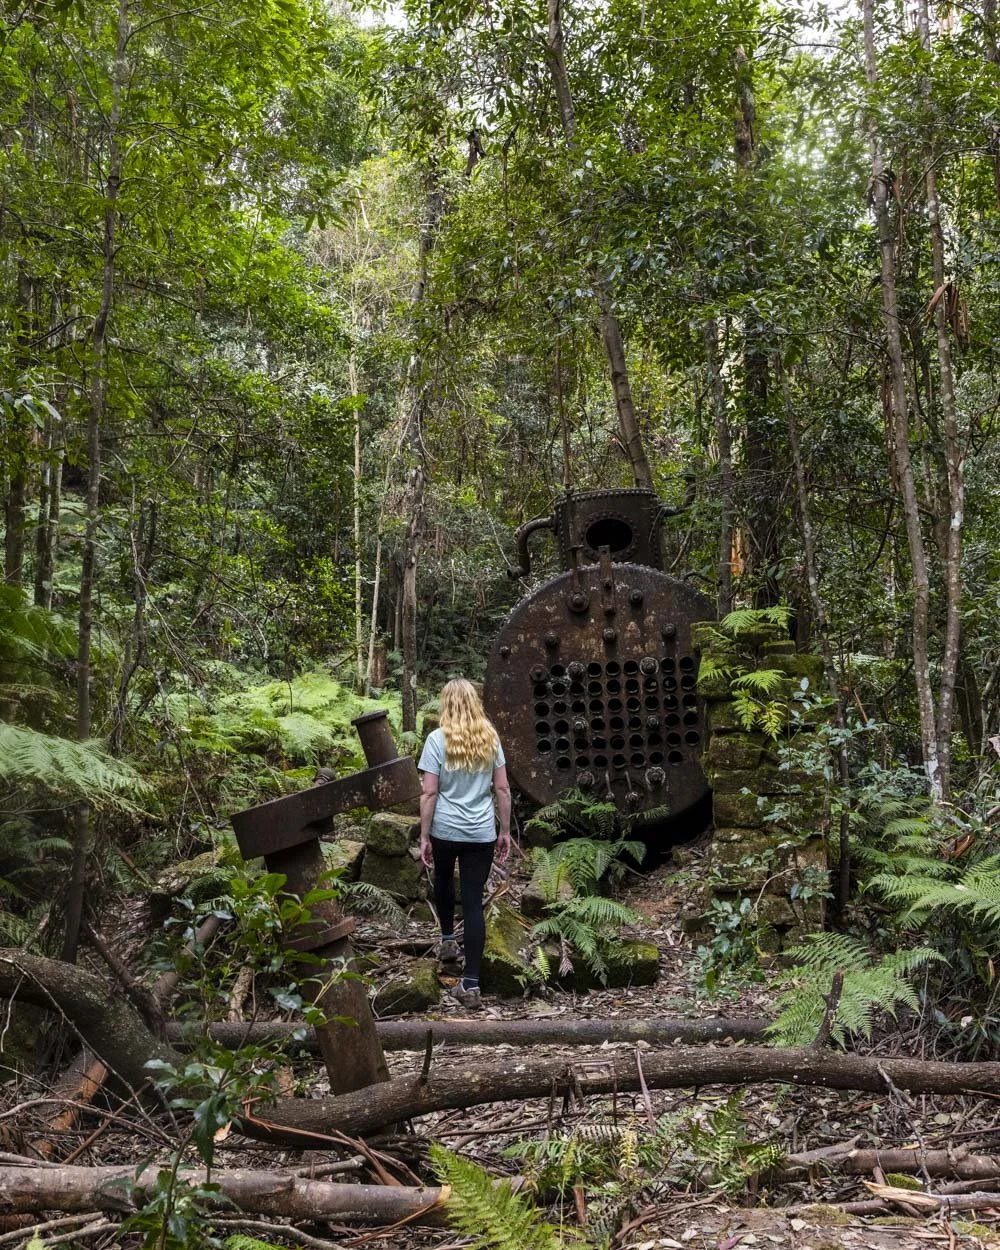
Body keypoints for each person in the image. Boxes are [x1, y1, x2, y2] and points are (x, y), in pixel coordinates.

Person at [418, 678, 511, 1010]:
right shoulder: (490, 738)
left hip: (445, 830)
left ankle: (446, 941)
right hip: (480, 833)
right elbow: (501, 789)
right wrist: (504, 831)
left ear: (447, 704)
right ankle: (470, 983)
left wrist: (425, 835)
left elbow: (429, 791)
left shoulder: (436, 740)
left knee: (442, 880)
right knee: (472, 903)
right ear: (474, 702)